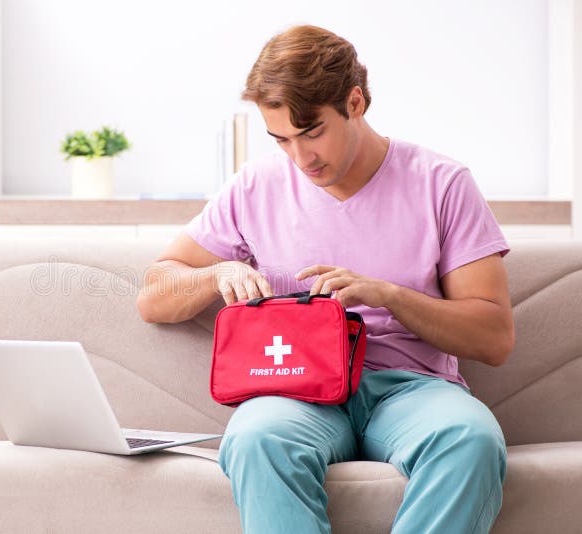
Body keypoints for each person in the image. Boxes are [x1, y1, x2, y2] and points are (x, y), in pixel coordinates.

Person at [136, 24, 514, 534]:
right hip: (298, 390)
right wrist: (216, 273)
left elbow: (493, 337)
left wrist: (389, 295)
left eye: (312, 132)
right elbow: (154, 294)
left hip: (412, 390)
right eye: (282, 139)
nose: (301, 159)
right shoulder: (256, 186)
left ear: (355, 102)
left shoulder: (442, 184)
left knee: (471, 440)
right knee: (254, 438)